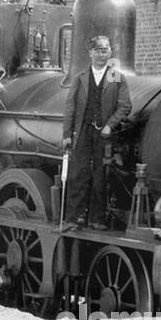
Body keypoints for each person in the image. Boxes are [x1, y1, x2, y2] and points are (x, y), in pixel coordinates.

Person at [61, 35, 132, 230]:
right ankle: (73, 219)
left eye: (106, 50)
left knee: (101, 176)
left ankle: (97, 219)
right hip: (82, 130)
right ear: (91, 53)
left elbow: (125, 106)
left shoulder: (116, 77)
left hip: (104, 134)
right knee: (78, 174)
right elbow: (70, 108)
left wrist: (110, 125)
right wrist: (67, 134)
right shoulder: (81, 78)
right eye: (99, 51)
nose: (103, 55)